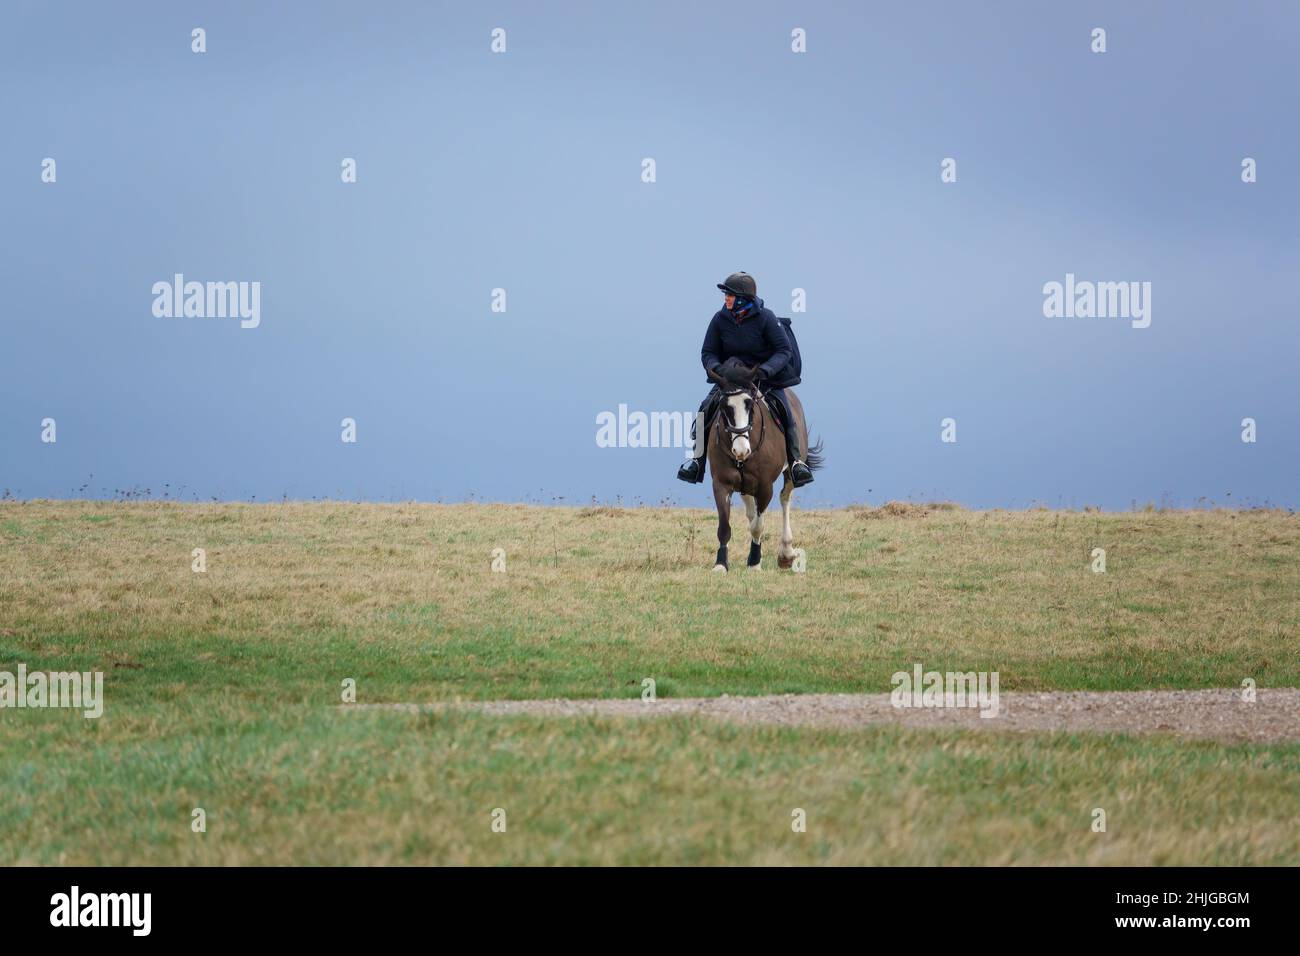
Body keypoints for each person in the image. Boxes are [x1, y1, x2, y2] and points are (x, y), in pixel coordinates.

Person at [677, 272, 814, 487]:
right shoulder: (719, 319)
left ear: (742, 298)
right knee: (705, 410)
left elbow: (783, 350)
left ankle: (796, 462)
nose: (726, 299)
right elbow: (708, 352)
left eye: (729, 295)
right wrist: (718, 369)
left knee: (786, 412)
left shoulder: (766, 318)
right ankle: (697, 461)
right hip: (730, 380)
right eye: (726, 295)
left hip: (763, 379)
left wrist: (765, 371)